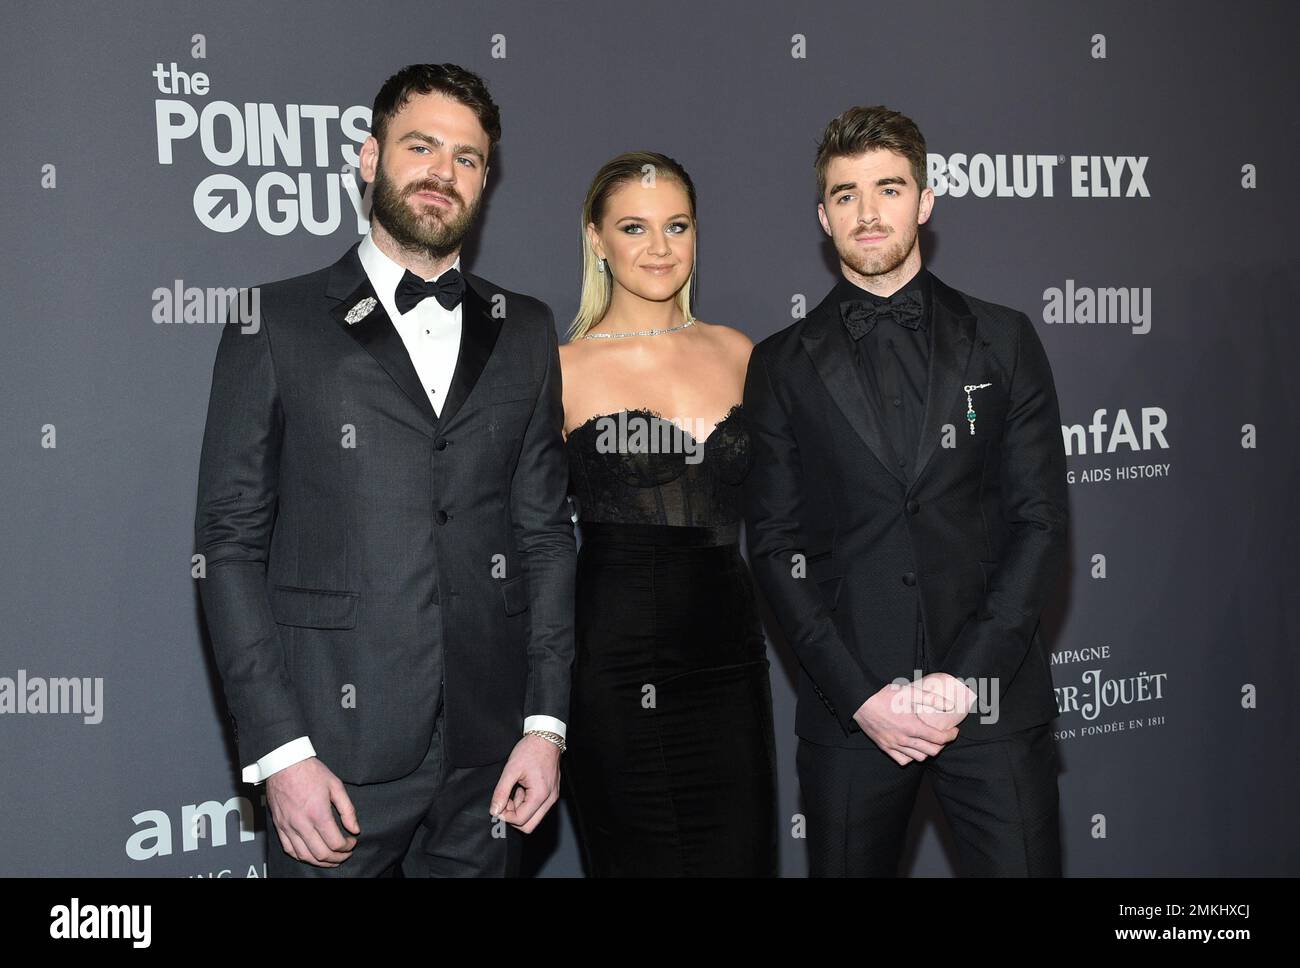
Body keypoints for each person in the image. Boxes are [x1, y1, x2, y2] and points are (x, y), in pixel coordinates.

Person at [194, 63, 575, 877]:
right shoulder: (274, 320)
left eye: (467, 158)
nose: (443, 172)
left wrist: (545, 727)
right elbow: (228, 545)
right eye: (421, 146)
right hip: (332, 751)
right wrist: (279, 752)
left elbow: (545, 537)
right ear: (369, 159)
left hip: (490, 752)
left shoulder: (528, 329)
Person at [743, 105, 1068, 876]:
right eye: (846, 194)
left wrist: (966, 683)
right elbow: (776, 547)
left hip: (991, 707)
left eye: (888, 188)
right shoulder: (780, 364)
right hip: (852, 718)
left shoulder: (1005, 338)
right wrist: (862, 698)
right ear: (824, 217)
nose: (868, 211)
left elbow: (1040, 523)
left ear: (924, 201)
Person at [558, 151, 779, 876]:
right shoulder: (560, 369)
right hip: (617, 666)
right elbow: (523, 533)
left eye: (676, 226)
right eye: (634, 227)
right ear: (596, 239)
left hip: (730, 660)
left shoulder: (740, 352)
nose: (659, 247)